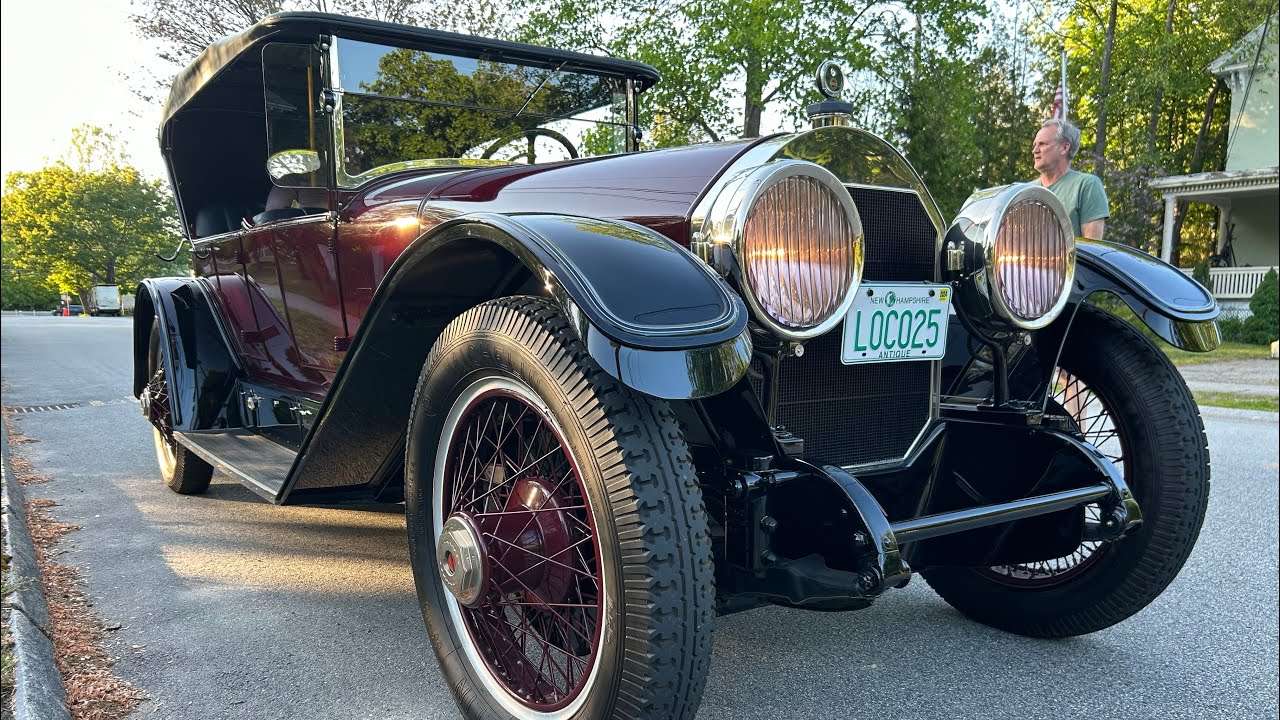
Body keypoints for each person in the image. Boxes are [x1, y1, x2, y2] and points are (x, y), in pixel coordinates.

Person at [1032, 118, 1109, 240]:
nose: (1035, 150)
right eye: (1035, 145)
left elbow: (1092, 248)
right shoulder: (1025, 191)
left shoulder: (1086, 185)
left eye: (1042, 144)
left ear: (1064, 148)